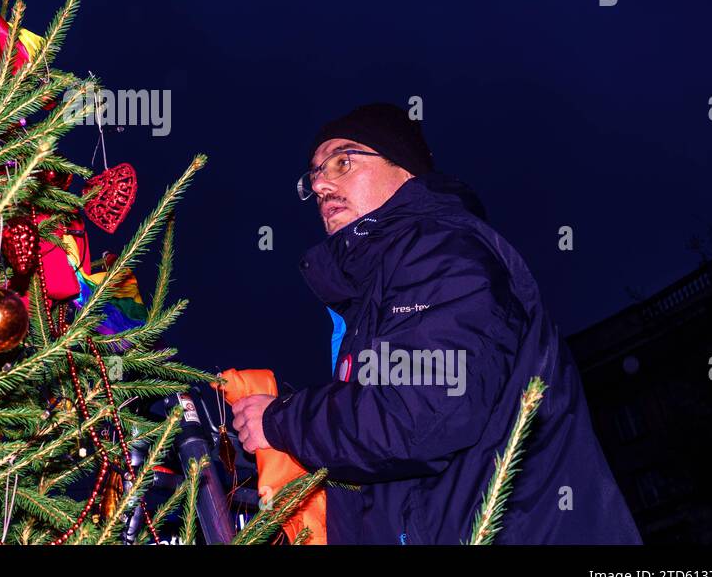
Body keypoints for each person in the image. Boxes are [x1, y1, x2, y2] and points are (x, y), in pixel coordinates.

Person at [230, 102, 641, 543]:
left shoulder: (441, 252)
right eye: (314, 176)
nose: (322, 184)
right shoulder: (377, 291)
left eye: (343, 162)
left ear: (404, 170)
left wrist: (283, 420)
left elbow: (417, 410)